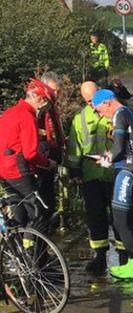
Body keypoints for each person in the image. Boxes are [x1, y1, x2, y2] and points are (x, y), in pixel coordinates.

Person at [65, 81, 123, 275]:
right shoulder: (80, 118)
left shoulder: (115, 112)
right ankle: (100, 257)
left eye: (93, 99)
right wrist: (74, 170)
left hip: (115, 174)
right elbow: (75, 147)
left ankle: (125, 259)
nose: (91, 104)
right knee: (95, 217)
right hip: (92, 175)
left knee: (119, 217)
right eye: (87, 101)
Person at [93, 89, 133, 281]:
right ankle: (131, 263)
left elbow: (118, 148)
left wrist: (107, 160)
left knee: (120, 219)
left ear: (107, 103)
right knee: (124, 219)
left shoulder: (120, 115)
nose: (100, 115)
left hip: (128, 171)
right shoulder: (131, 114)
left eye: (99, 110)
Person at [0, 80, 56, 229]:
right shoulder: (27, 117)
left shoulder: (8, 113)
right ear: (39, 98)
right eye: (46, 102)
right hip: (18, 171)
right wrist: (47, 163)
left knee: (19, 213)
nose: (45, 108)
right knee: (39, 211)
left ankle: (16, 248)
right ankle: (33, 250)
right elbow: (30, 153)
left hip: (4, 171)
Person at [36, 72, 66, 230]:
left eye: (59, 92)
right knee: (43, 205)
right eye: (54, 91)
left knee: (49, 203)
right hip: (42, 162)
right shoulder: (40, 107)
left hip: (51, 158)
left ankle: (41, 244)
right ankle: (34, 246)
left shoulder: (51, 107)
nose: (57, 95)